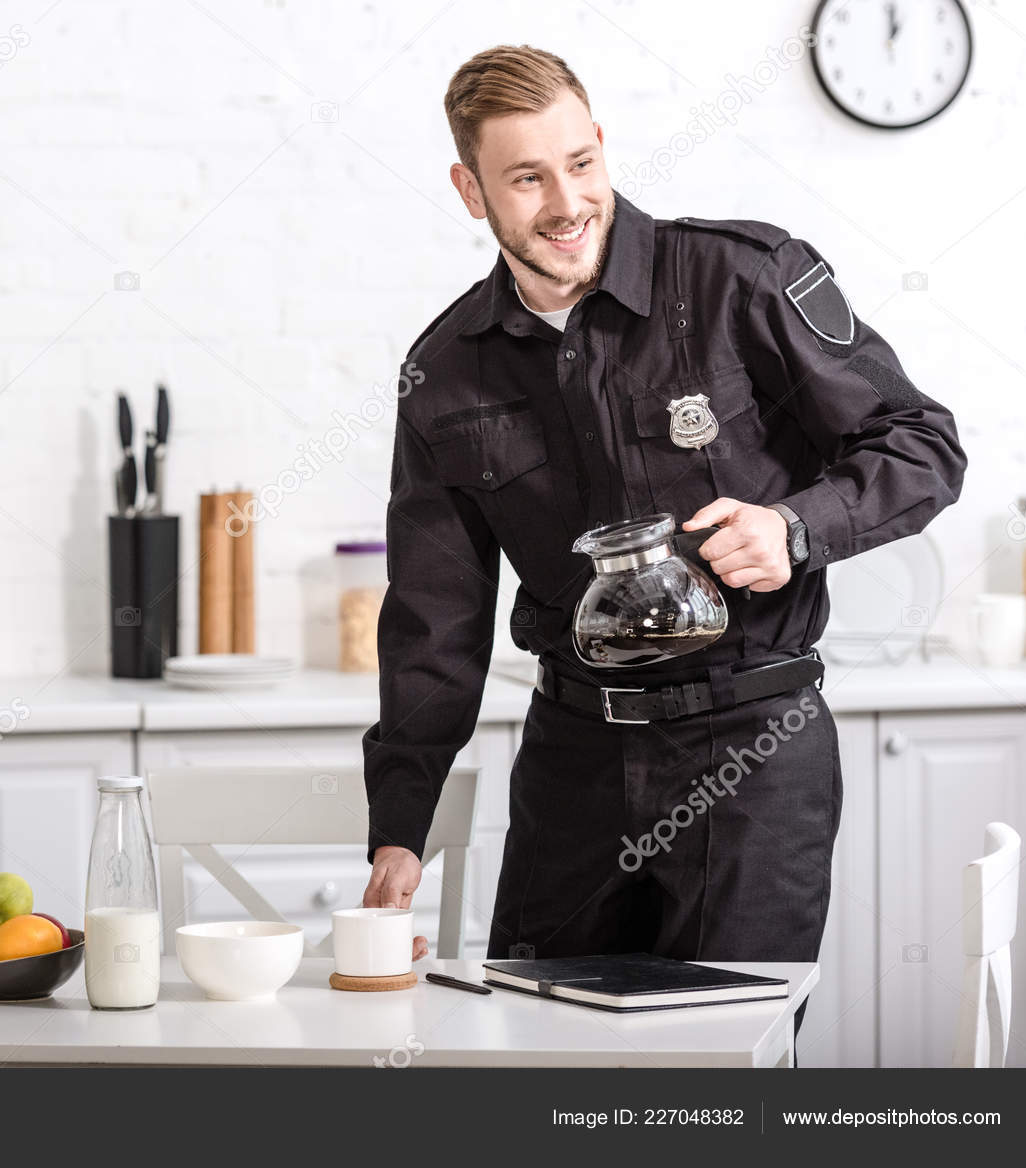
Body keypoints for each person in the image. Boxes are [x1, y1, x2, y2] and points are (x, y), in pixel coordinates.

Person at [358, 45, 966, 1041]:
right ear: (471, 191)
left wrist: (793, 529)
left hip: (752, 754)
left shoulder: (742, 279)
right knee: (537, 1057)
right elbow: (434, 621)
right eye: (525, 178)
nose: (565, 201)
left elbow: (920, 443)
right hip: (572, 769)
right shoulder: (444, 372)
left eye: (578, 164)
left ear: (600, 145)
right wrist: (398, 830)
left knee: (718, 1070)